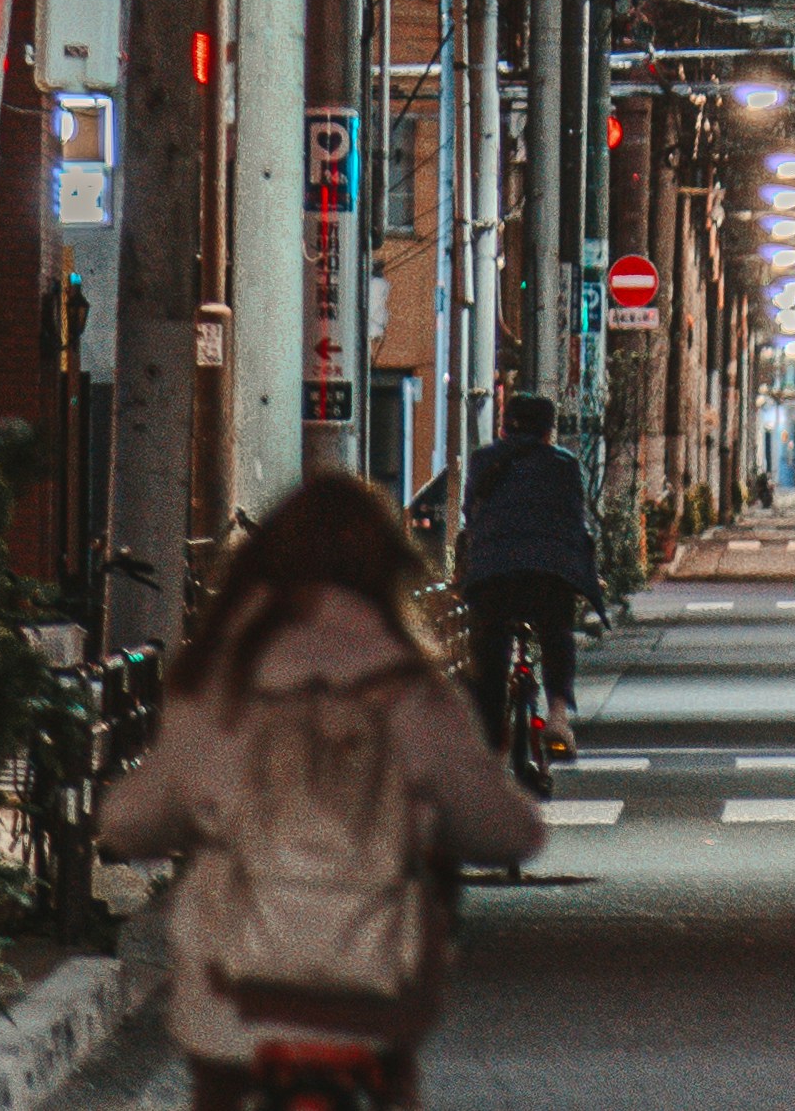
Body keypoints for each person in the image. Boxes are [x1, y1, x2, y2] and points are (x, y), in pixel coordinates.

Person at [101, 474, 541, 1111]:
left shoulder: (221, 686)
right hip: (373, 984)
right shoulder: (414, 692)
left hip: (234, 988)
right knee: (393, 1078)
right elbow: (507, 830)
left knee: (219, 1085)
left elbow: (132, 819)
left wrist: (140, 826)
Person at [455, 390, 603, 757]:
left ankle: (489, 745)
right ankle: (558, 717)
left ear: (504, 427)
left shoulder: (482, 461)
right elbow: (575, 521)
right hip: (547, 572)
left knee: (489, 652)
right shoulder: (564, 464)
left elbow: (471, 515)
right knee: (556, 633)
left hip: (493, 573)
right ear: (548, 431)